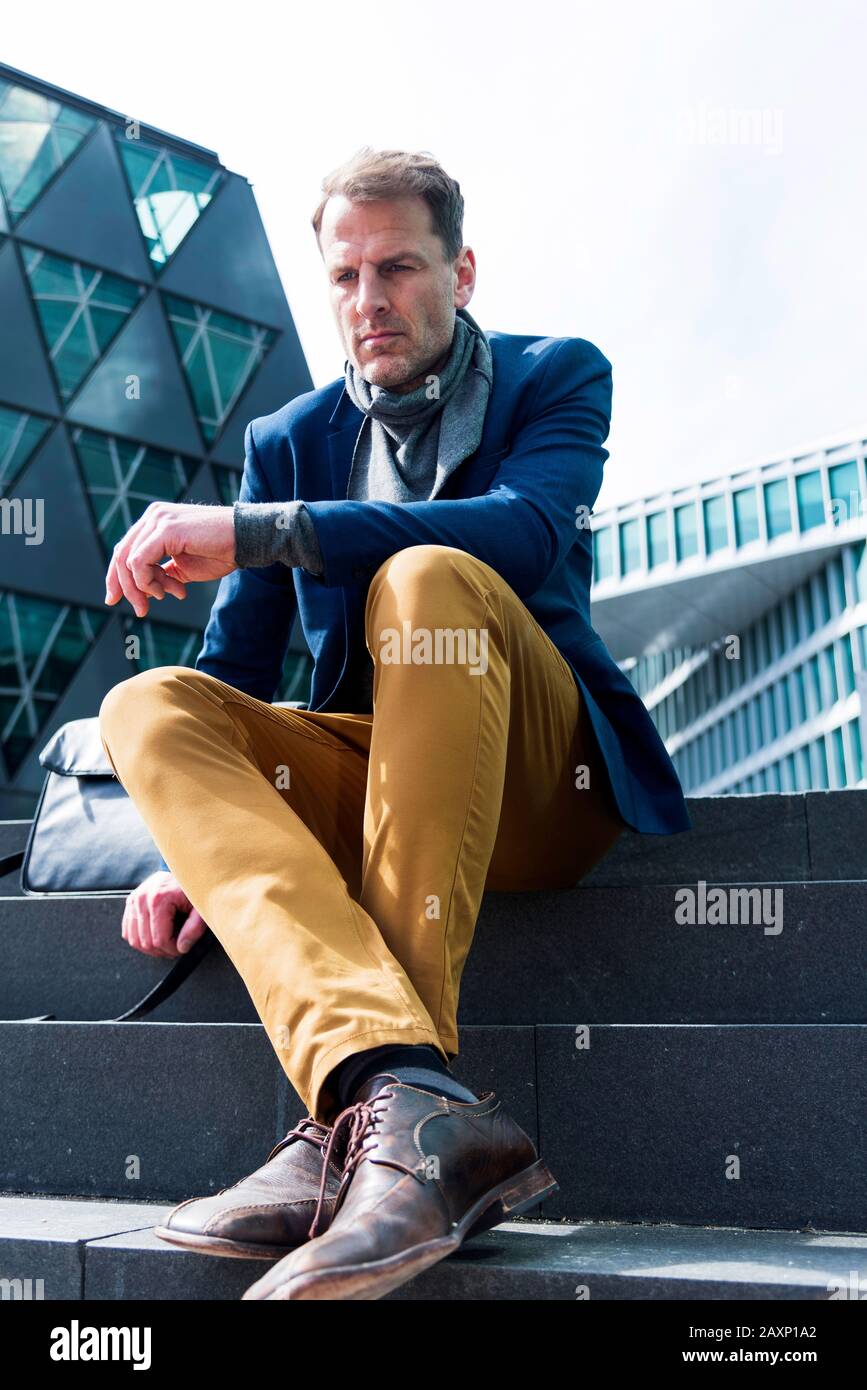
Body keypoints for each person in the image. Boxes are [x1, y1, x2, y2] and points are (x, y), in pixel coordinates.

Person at [98, 146, 691, 1301]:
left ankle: (373, 1139)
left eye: (400, 268)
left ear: (461, 271)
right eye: (346, 275)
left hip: (538, 785)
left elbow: (523, 535)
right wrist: (197, 849)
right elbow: (234, 670)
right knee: (148, 703)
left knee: (430, 576)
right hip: (371, 785)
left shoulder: (556, 375)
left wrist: (261, 530)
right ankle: (394, 1101)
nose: (369, 302)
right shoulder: (291, 438)